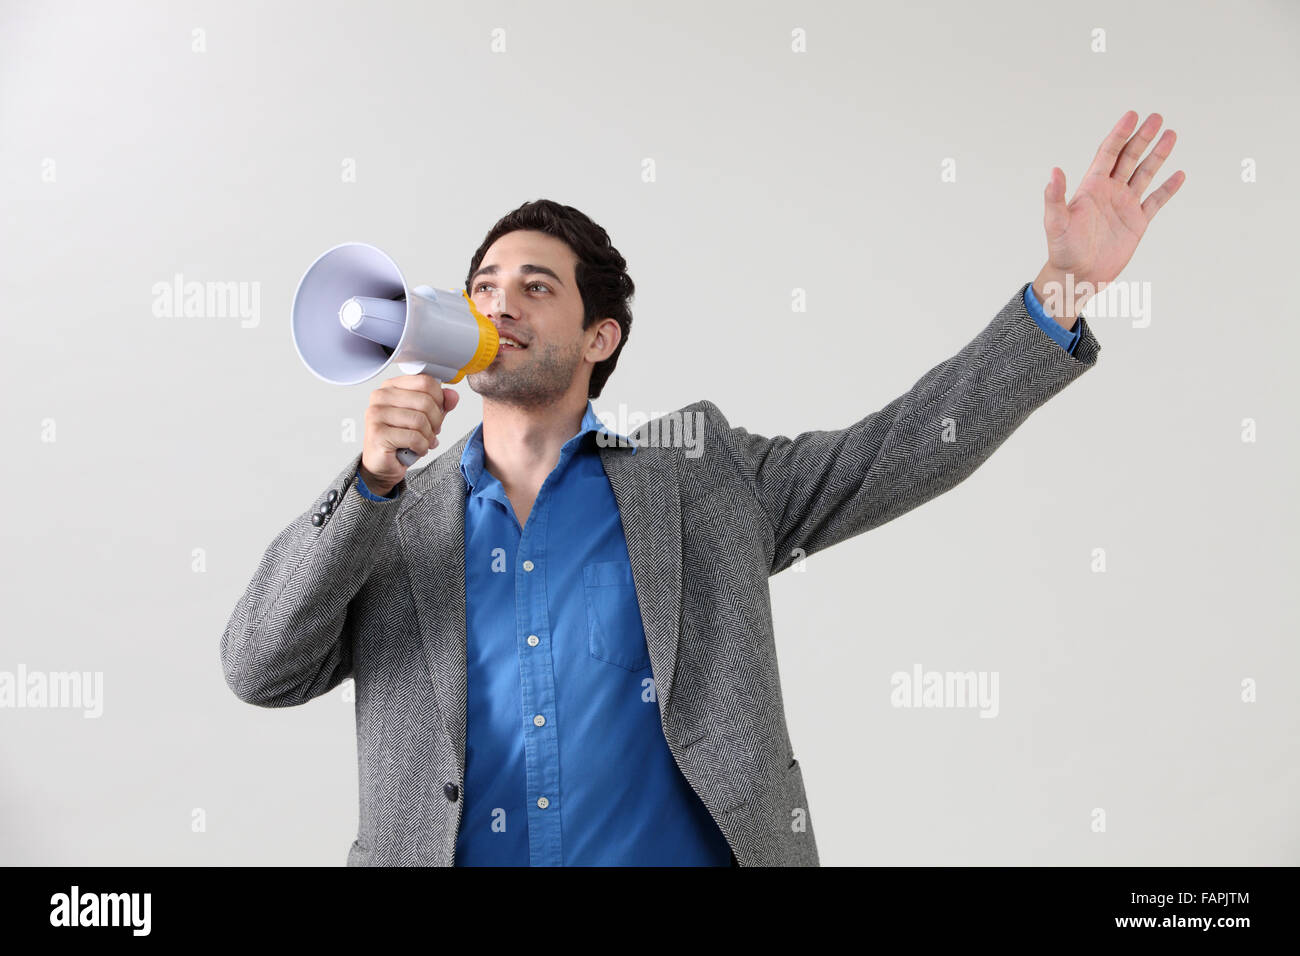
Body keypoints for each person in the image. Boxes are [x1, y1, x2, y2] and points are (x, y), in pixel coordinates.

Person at [221, 111, 1184, 865]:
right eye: (482, 284)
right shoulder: (386, 521)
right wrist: (368, 483)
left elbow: (901, 449)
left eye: (536, 286)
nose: (498, 301)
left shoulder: (700, 473)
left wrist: (1061, 287)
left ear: (600, 339)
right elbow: (259, 669)